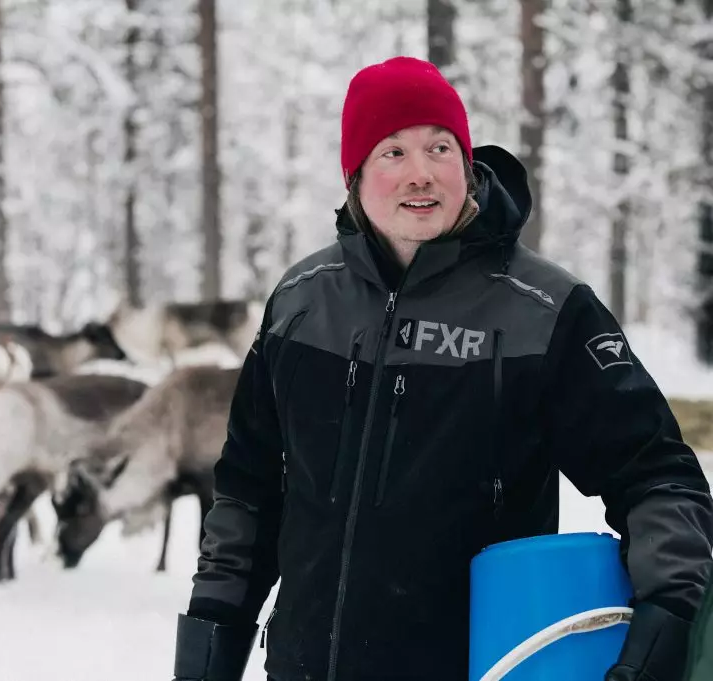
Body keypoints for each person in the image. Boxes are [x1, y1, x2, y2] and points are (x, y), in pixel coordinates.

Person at [169, 56, 713, 681]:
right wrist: (209, 639)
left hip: (479, 664)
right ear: (355, 175)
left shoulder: (544, 311)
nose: (421, 174)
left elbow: (656, 475)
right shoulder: (302, 302)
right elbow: (248, 489)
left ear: (466, 161)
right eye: (392, 153)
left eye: (440, 147)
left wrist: (668, 618)